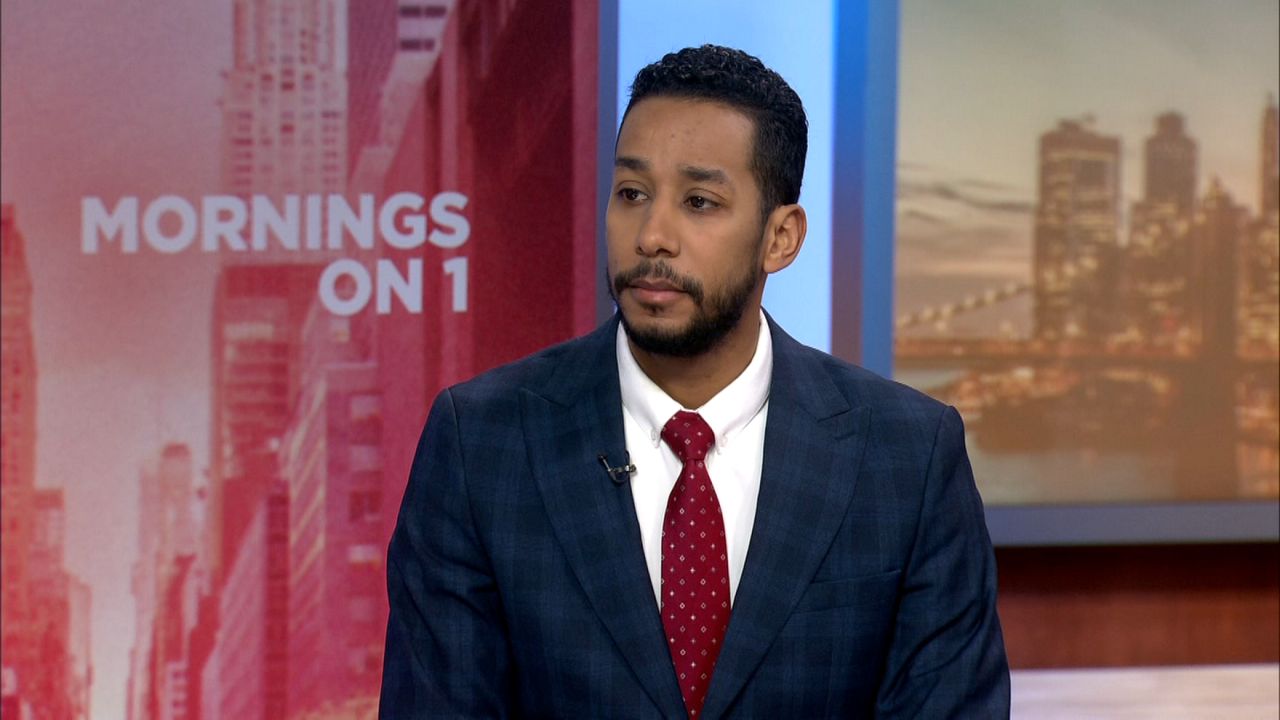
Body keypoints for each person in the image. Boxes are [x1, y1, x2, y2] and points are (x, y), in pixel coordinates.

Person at [380, 45, 1009, 718]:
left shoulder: (907, 457)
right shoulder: (482, 444)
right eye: (631, 194)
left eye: (699, 201)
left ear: (781, 237)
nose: (652, 235)